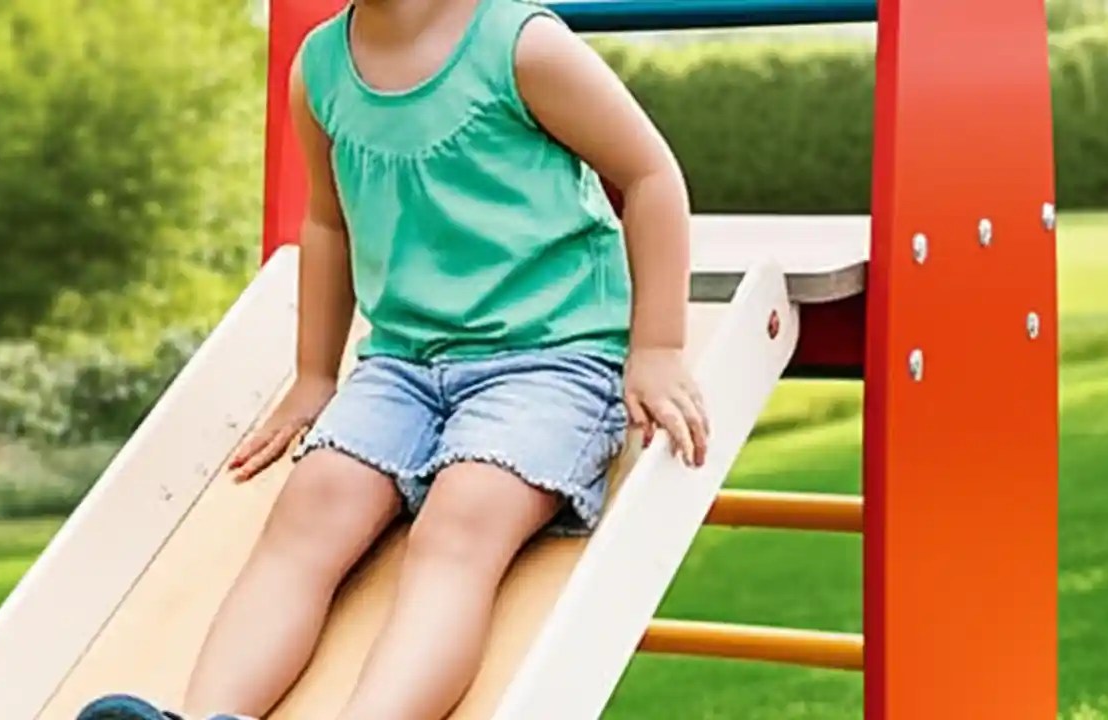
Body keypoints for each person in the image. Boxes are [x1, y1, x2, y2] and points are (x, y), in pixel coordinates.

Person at [77, 0, 706, 718]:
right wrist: (314, 377)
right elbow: (328, 223)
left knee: (458, 523)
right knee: (311, 508)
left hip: (550, 358)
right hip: (402, 364)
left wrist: (658, 347)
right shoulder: (321, 69)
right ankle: (204, 716)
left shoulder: (521, 46)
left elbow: (650, 173)